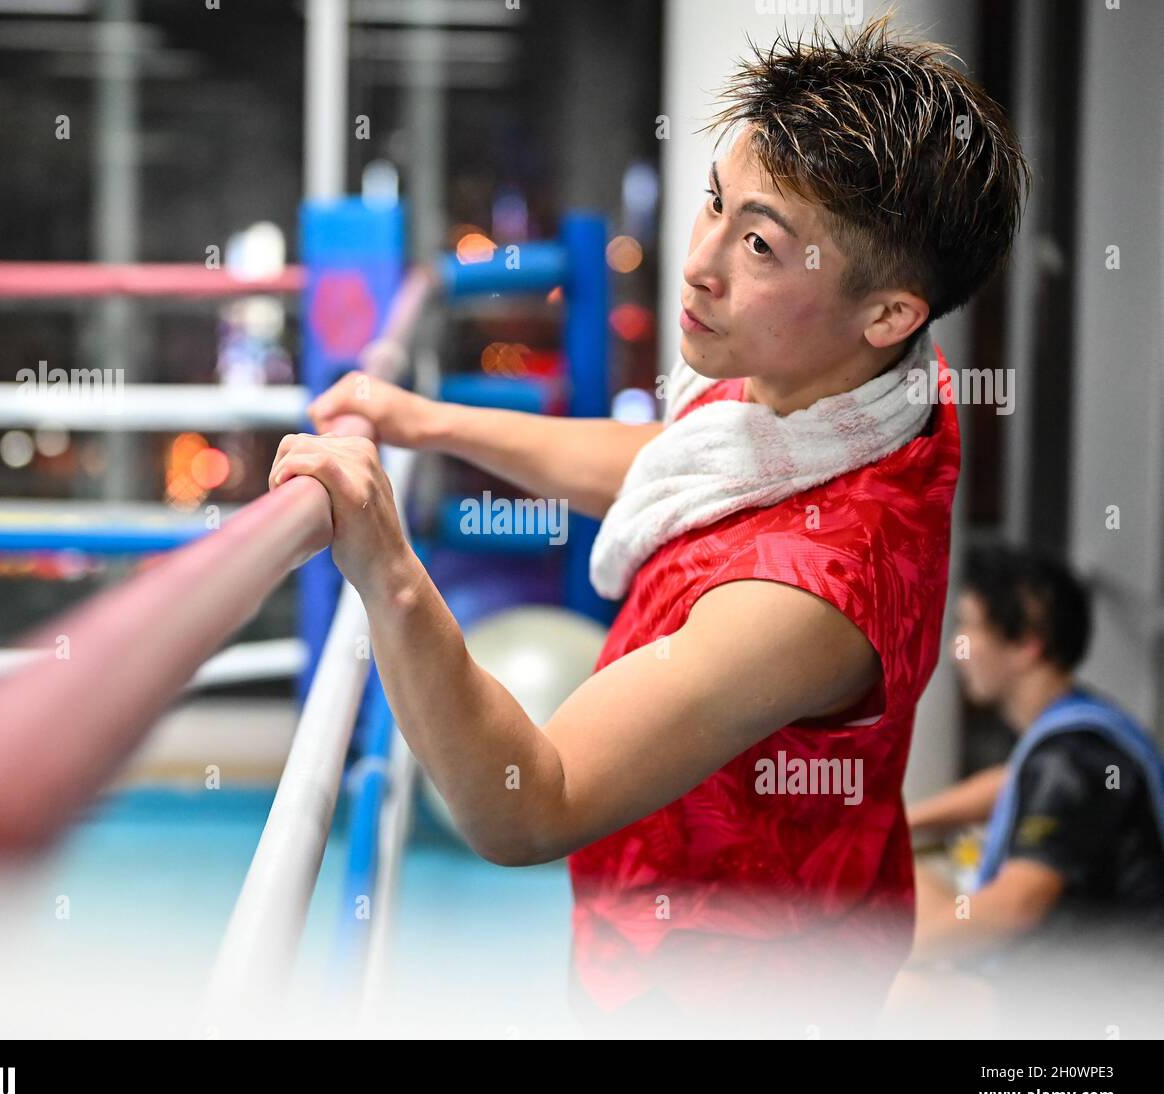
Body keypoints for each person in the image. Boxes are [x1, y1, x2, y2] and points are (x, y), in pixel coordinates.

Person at [272, 16, 1029, 1036]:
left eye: (757, 243)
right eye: (715, 202)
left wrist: (388, 570)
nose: (698, 262)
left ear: (888, 311)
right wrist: (431, 420)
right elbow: (678, 471)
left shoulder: (808, 599)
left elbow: (527, 800)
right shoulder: (860, 390)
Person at [903, 547, 1164, 1032]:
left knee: (898, 992)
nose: (957, 647)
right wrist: (901, 821)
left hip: (1104, 1002)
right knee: (901, 866)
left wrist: (886, 955)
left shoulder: (1073, 757)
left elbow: (1015, 908)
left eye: (968, 627)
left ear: (1028, 643)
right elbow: (1011, 781)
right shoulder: (1082, 727)